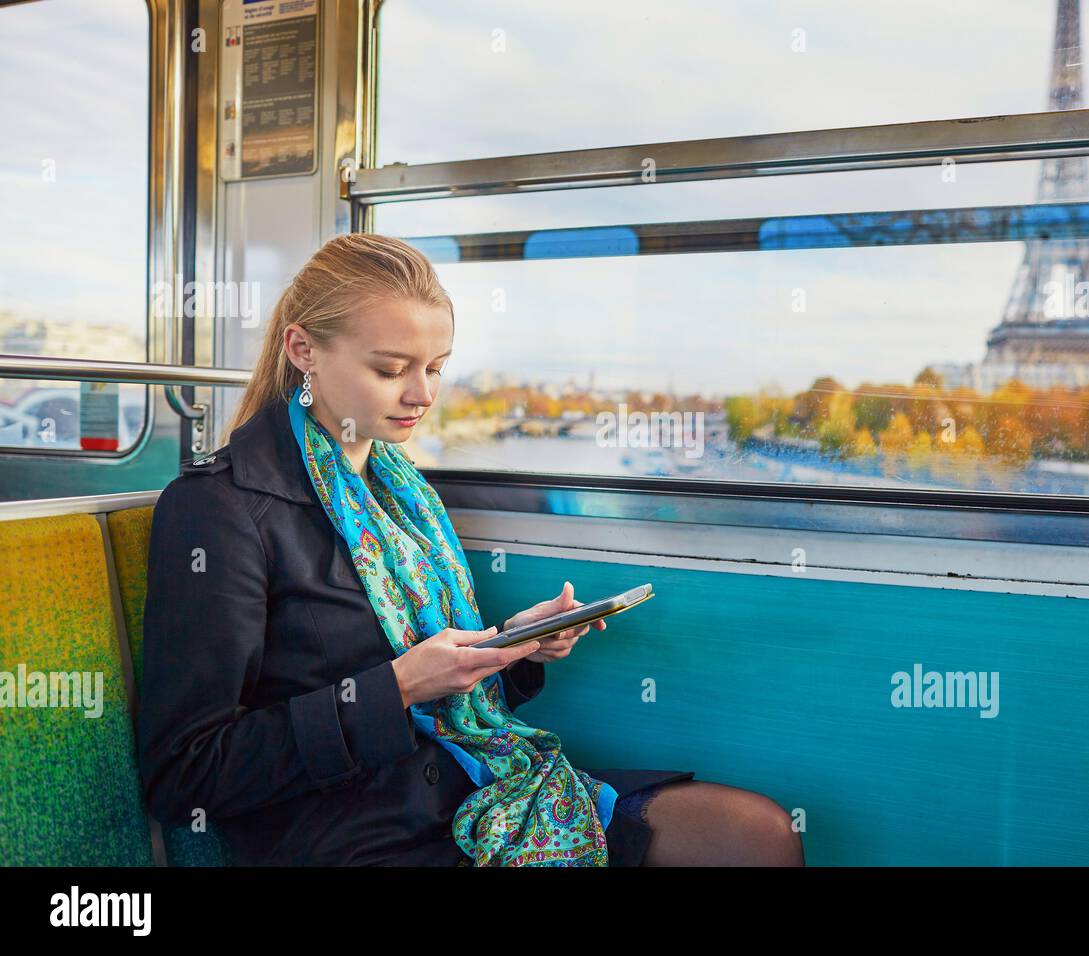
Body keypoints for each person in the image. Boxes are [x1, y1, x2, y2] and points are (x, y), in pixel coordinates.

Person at [137, 233, 804, 866]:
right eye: (390, 369)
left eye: (434, 367)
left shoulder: (402, 495)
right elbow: (186, 775)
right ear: (304, 350)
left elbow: (446, 697)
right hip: (352, 831)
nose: (422, 394)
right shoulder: (217, 511)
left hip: (476, 781)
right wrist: (395, 689)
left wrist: (510, 646)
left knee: (754, 834)